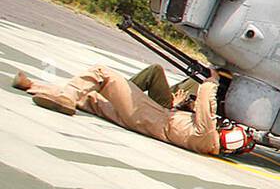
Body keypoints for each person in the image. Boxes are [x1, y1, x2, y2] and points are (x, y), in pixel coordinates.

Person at [12, 66, 253, 156]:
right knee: (92, 99)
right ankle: (33, 86)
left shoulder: (207, 135)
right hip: (144, 122)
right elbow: (198, 117)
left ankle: (64, 97)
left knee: (102, 74)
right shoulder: (206, 142)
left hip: (151, 115)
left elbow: (205, 104)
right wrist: (180, 105)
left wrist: (212, 79)